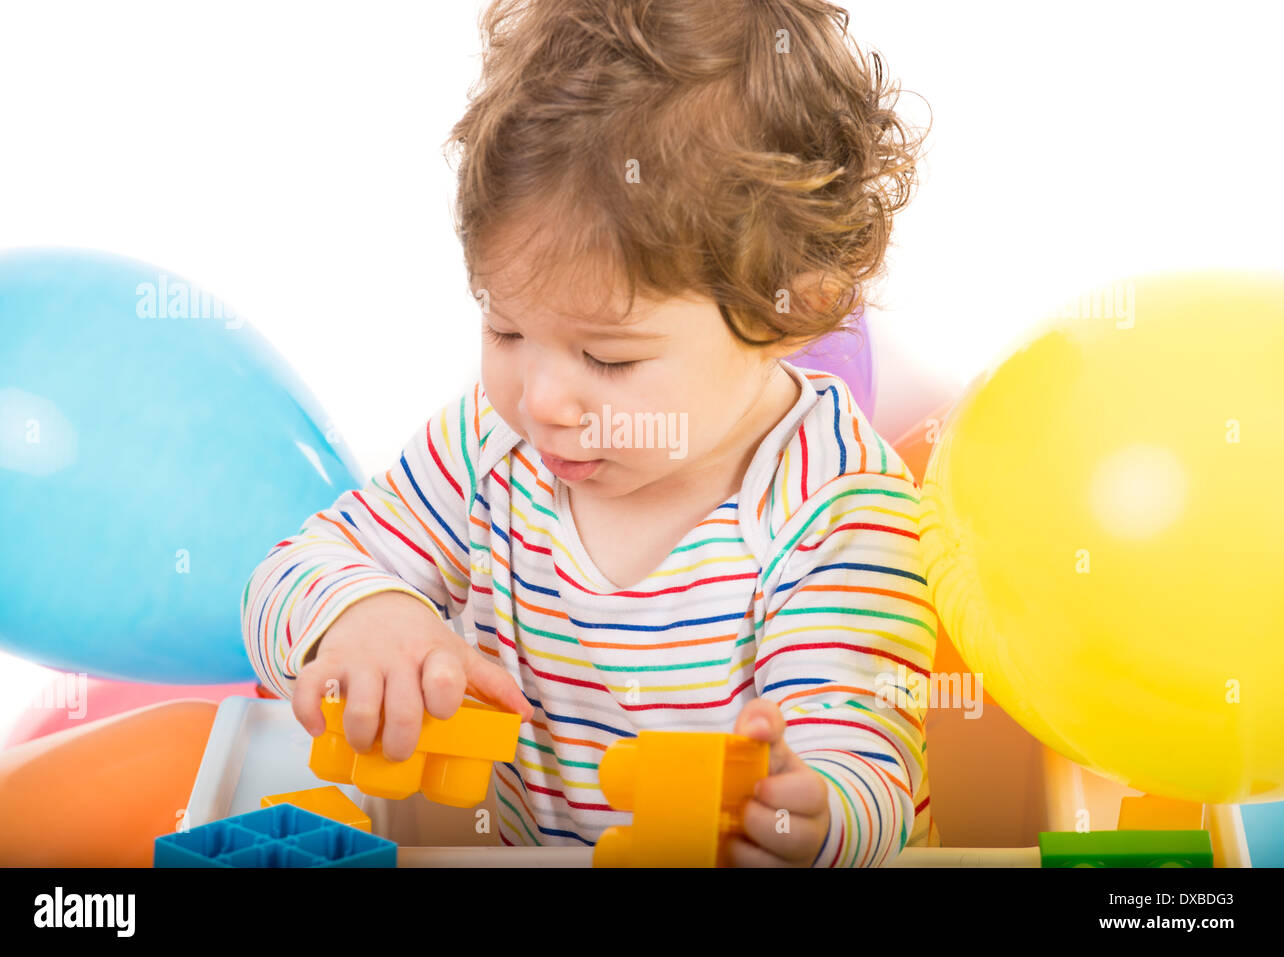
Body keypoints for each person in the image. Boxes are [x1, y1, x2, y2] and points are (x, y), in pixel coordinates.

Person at [242, 0, 938, 866]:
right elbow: (285, 573)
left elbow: (869, 773)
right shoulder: (489, 448)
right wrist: (364, 614)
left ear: (797, 306)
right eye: (506, 331)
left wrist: (805, 814)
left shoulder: (834, 506)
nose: (542, 400)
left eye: (607, 359)